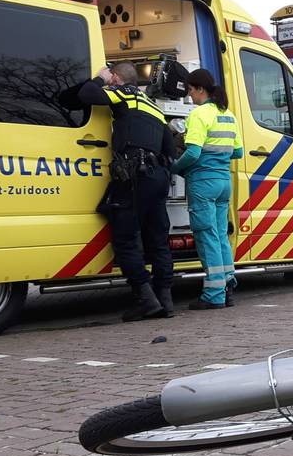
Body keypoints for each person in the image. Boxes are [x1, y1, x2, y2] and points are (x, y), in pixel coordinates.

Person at [78, 62, 177, 321]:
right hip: (158, 177)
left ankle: (146, 299)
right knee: (157, 238)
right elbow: (170, 150)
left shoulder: (125, 93)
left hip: (135, 175)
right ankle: (165, 299)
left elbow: (86, 95)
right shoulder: (154, 107)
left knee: (125, 238)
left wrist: (100, 79)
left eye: (112, 79)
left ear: (117, 79)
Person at [171, 69, 242, 309]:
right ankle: (227, 284)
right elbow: (239, 152)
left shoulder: (199, 114)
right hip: (223, 183)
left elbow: (192, 152)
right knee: (221, 235)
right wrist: (217, 157)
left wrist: (174, 167)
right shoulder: (228, 115)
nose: (189, 96)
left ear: (200, 89)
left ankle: (213, 295)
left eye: (190, 90)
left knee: (207, 236)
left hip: (203, 182)